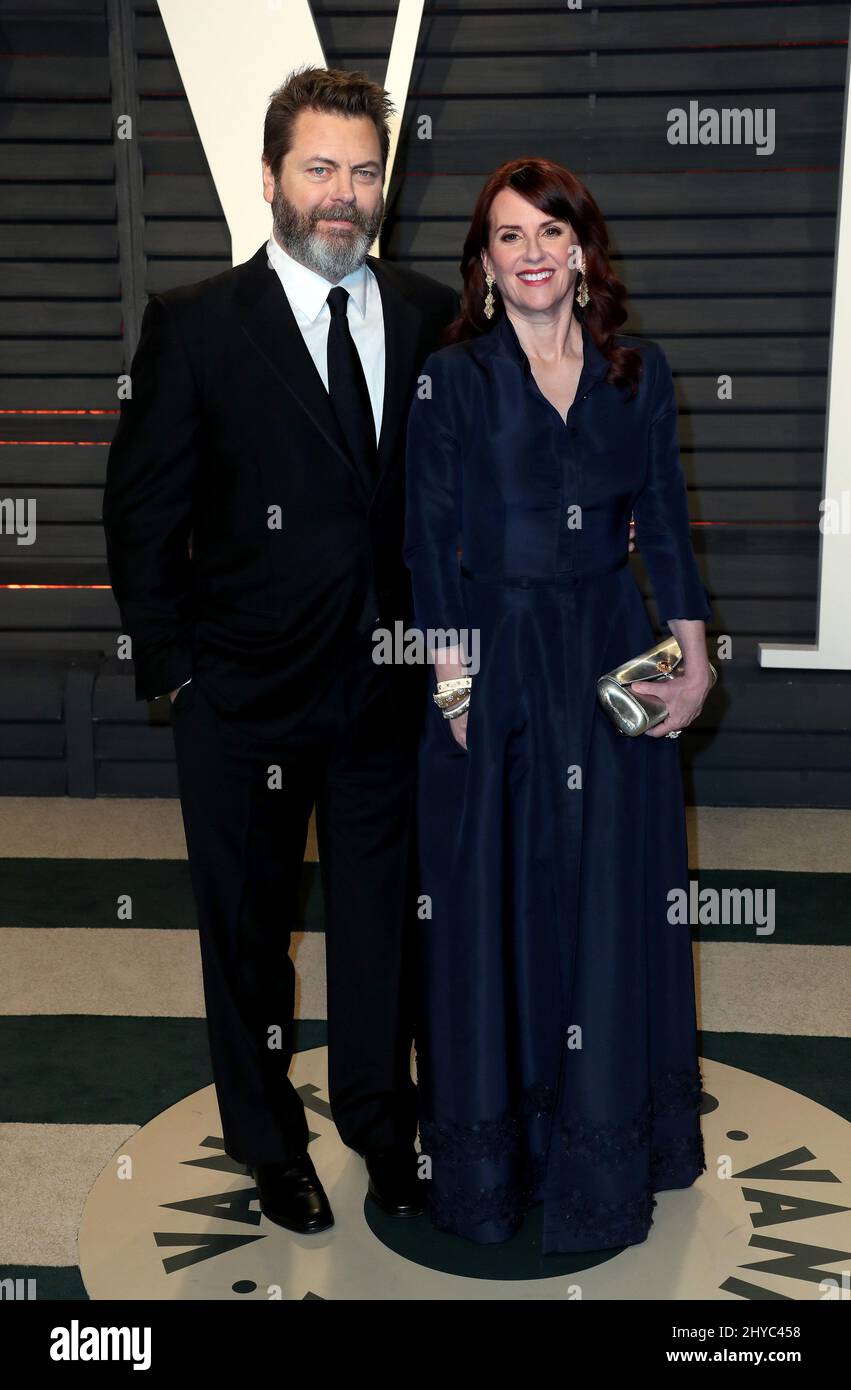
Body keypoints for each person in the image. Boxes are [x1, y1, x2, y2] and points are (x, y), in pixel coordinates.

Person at [102, 66, 460, 1235]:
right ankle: (269, 1141)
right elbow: (142, 508)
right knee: (248, 943)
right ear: (270, 178)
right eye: (319, 169)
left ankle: (379, 1120)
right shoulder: (200, 325)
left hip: (385, 693)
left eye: (363, 172)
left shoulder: (423, 315)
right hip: (242, 698)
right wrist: (179, 671)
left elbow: (438, 507)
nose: (343, 195)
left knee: (380, 928)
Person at [403, 157, 715, 1254]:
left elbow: (667, 524)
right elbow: (426, 542)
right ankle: (501, 1153)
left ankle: (605, 1135)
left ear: (581, 248)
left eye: (550, 231)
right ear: (483, 266)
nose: (531, 252)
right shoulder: (455, 380)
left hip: (603, 653)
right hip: (492, 652)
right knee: (497, 896)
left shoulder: (640, 372)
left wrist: (691, 656)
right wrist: (449, 680)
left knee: (605, 892)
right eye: (507, 237)